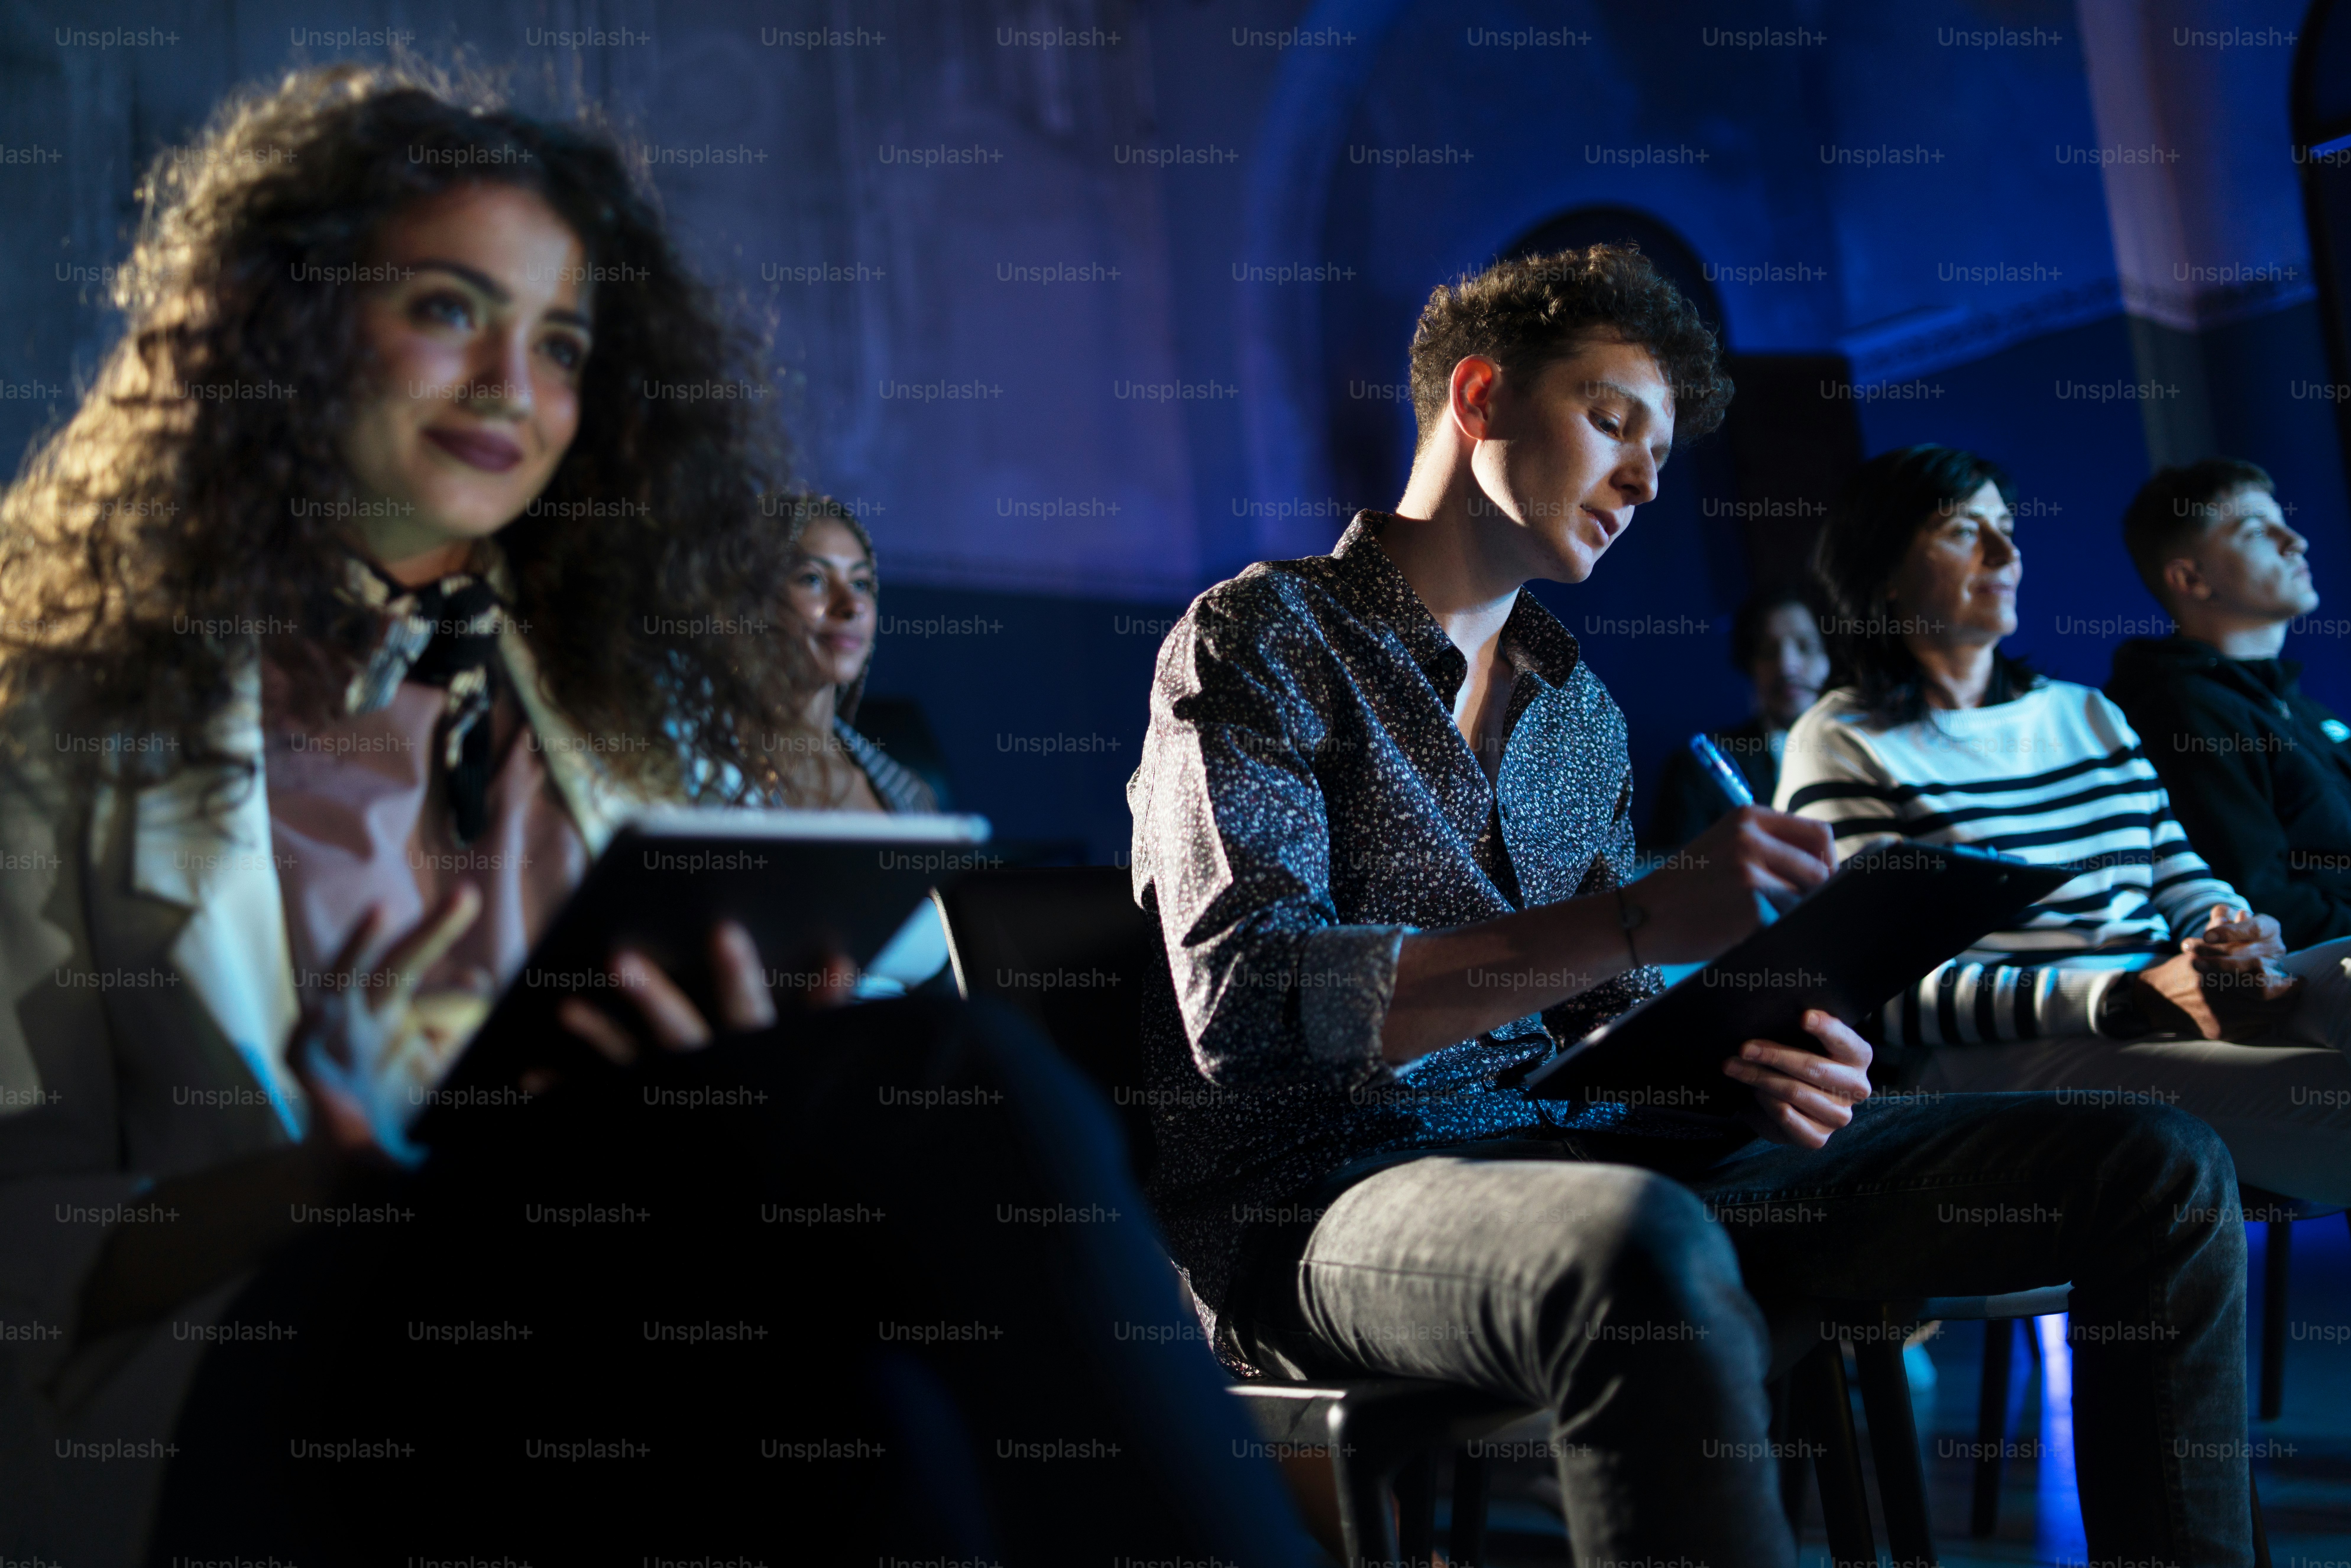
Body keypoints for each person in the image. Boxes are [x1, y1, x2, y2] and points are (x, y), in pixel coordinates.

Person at [0, 65, 1313, 1567]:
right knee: (940, 1083)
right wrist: (337, 1172)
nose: (512, 382)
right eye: (447, 307)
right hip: (258, 1366)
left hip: (618, 1313)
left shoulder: (629, 711)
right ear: (273, 317)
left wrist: (747, 1050)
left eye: (560, 341)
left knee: (870, 1410)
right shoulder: (49, 705)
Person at [1129, 246, 2258, 1565]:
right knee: (1636, 1246)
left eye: (1658, 450)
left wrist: (1760, 1060)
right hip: (1328, 1198)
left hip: (1594, 1159)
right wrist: (1635, 922)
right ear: (1480, 397)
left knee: (2156, 1165)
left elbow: (1608, 1031)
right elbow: (1250, 1010)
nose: (1645, 479)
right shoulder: (1259, 637)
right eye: (1610, 420)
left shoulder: (1578, 714)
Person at [1779, 443, 2351, 1207]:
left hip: (2165, 1001)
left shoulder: (2083, 711)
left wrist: (2230, 928)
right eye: (1963, 531)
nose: (2007, 552)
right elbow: (1881, 993)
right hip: (2009, 1057)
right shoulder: (1843, 737)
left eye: (2008, 525)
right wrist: (2119, 997)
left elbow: (2178, 873)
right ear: (1881, 571)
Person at [2106, 458, 2351, 948]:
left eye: (2285, 522)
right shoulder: (2179, 708)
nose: (2295, 541)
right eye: (2257, 531)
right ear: (2192, 579)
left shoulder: (2301, 709)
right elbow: (2260, 900)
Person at [769, 492, 940, 815]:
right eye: (813, 579)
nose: (851, 607)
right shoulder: (695, 773)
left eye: (861, 584)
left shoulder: (909, 795)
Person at [1645, 589, 1830, 850]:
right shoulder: (1698, 769)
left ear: (1832, 658)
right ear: (1749, 664)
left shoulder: (1864, 753)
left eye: (1806, 647)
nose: (1787, 666)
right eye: (1768, 652)